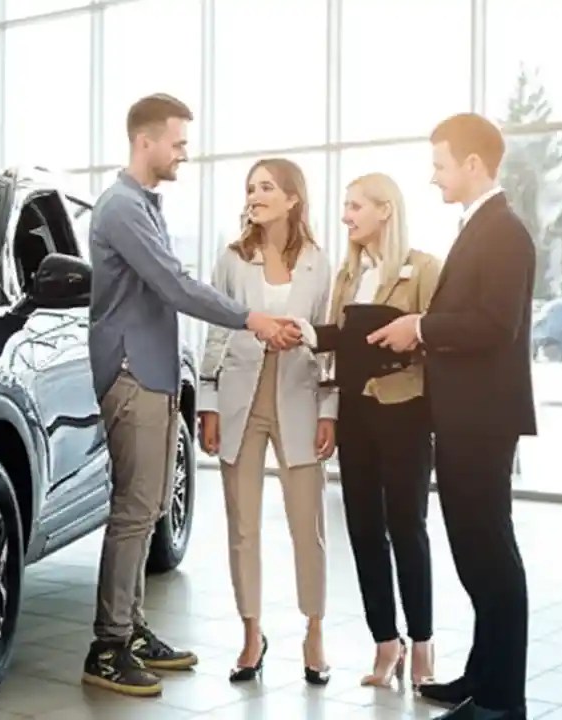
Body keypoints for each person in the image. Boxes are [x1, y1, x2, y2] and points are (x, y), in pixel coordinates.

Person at [83, 93, 300, 698]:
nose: (184, 153)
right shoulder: (122, 208)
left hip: (152, 373)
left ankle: (131, 629)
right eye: (177, 142)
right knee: (134, 510)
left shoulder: (143, 206)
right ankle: (107, 647)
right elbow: (174, 286)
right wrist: (251, 318)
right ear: (145, 141)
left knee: (150, 507)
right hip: (132, 372)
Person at [367, 112, 537, 720]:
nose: (434, 176)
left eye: (440, 164)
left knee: (490, 552)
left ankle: (501, 699)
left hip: (484, 419)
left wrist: (421, 327)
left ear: (473, 164)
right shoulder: (481, 226)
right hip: (467, 416)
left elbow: (496, 324)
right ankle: (482, 675)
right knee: (473, 550)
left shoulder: (504, 231)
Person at [196, 158, 335, 687]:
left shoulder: (319, 262)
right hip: (240, 398)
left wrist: (330, 410)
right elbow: (215, 329)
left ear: (292, 199)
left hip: (300, 395)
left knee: (308, 525)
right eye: (251, 188)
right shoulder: (233, 258)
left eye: (267, 187)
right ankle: (251, 634)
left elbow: (329, 338)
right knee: (242, 526)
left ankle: (314, 631)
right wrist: (208, 402)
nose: (255, 195)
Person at [304, 173, 441, 689]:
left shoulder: (425, 268)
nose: (346, 216)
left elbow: (440, 339)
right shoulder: (348, 276)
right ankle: (386, 642)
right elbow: (338, 345)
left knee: (408, 527)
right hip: (356, 414)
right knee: (363, 529)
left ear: (386, 209)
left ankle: (423, 643)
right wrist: (303, 335)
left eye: (356, 206)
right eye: (345, 206)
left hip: (406, 413)